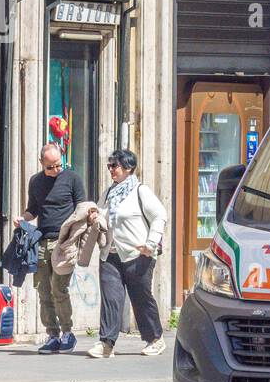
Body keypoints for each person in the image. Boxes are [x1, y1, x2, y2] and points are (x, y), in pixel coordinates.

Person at [88, 149, 168, 358]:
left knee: (140, 297)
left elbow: (160, 215)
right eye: (110, 166)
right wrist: (95, 216)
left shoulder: (141, 191)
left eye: (115, 166)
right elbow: (102, 215)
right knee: (111, 299)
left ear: (129, 168)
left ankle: (155, 339)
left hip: (138, 254)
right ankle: (106, 343)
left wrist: (150, 244)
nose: (111, 170)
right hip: (110, 253)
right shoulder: (108, 193)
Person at [19, 143, 85, 352]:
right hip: (41, 240)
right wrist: (23, 218)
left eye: (59, 165)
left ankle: (68, 332)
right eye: (51, 167)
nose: (56, 170)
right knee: (43, 290)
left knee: (59, 288)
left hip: (64, 241)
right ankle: (52, 334)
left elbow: (82, 206)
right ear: (42, 163)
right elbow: (33, 210)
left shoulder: (73, 178)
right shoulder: (36, 182)